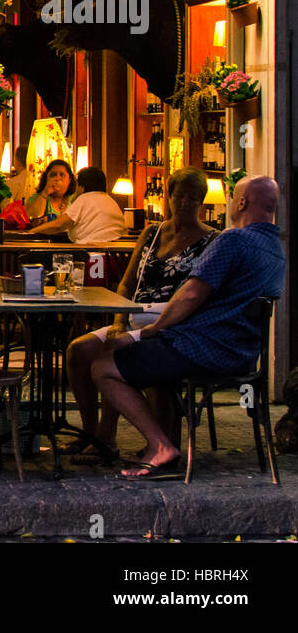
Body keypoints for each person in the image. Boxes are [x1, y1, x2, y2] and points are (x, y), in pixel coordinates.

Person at [92, 175, 285, 478]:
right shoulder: (276, 250)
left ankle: (160, 446)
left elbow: (192, 293)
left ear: (242, 202)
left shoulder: (233, 239)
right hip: (242, 355)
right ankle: (152, 441)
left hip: (202, 348)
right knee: (138, 356)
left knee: (103, 366)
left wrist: (149, 332)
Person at [63, 168, 217, 462]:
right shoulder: (152, 232)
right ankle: (91, 430)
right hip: (133, 314)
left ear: (202, 203)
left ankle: (105, 440)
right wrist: (119, 320)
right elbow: (128, 282)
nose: (184, 203)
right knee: (78, 350)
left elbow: (201, 295)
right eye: (179, 196)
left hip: (170, 324)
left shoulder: (212, 241)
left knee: (112, 353)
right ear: (168, 198)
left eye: (193, 199)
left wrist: (145, 327)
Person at [28, 166, 125, 243]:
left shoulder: (84, 199)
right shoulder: (111, 201)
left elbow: (58, 225)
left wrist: (32, 232)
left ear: (82, 188)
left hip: (93, 252)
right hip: (117, 254)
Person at [24, 158, 76, 223]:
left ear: (69, 180)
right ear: (46, 178)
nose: (57, 178)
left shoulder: (74, 199)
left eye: (61, 175)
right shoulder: (36, 198)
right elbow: (32, 216)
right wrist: (45, 192)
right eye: (53, 175)